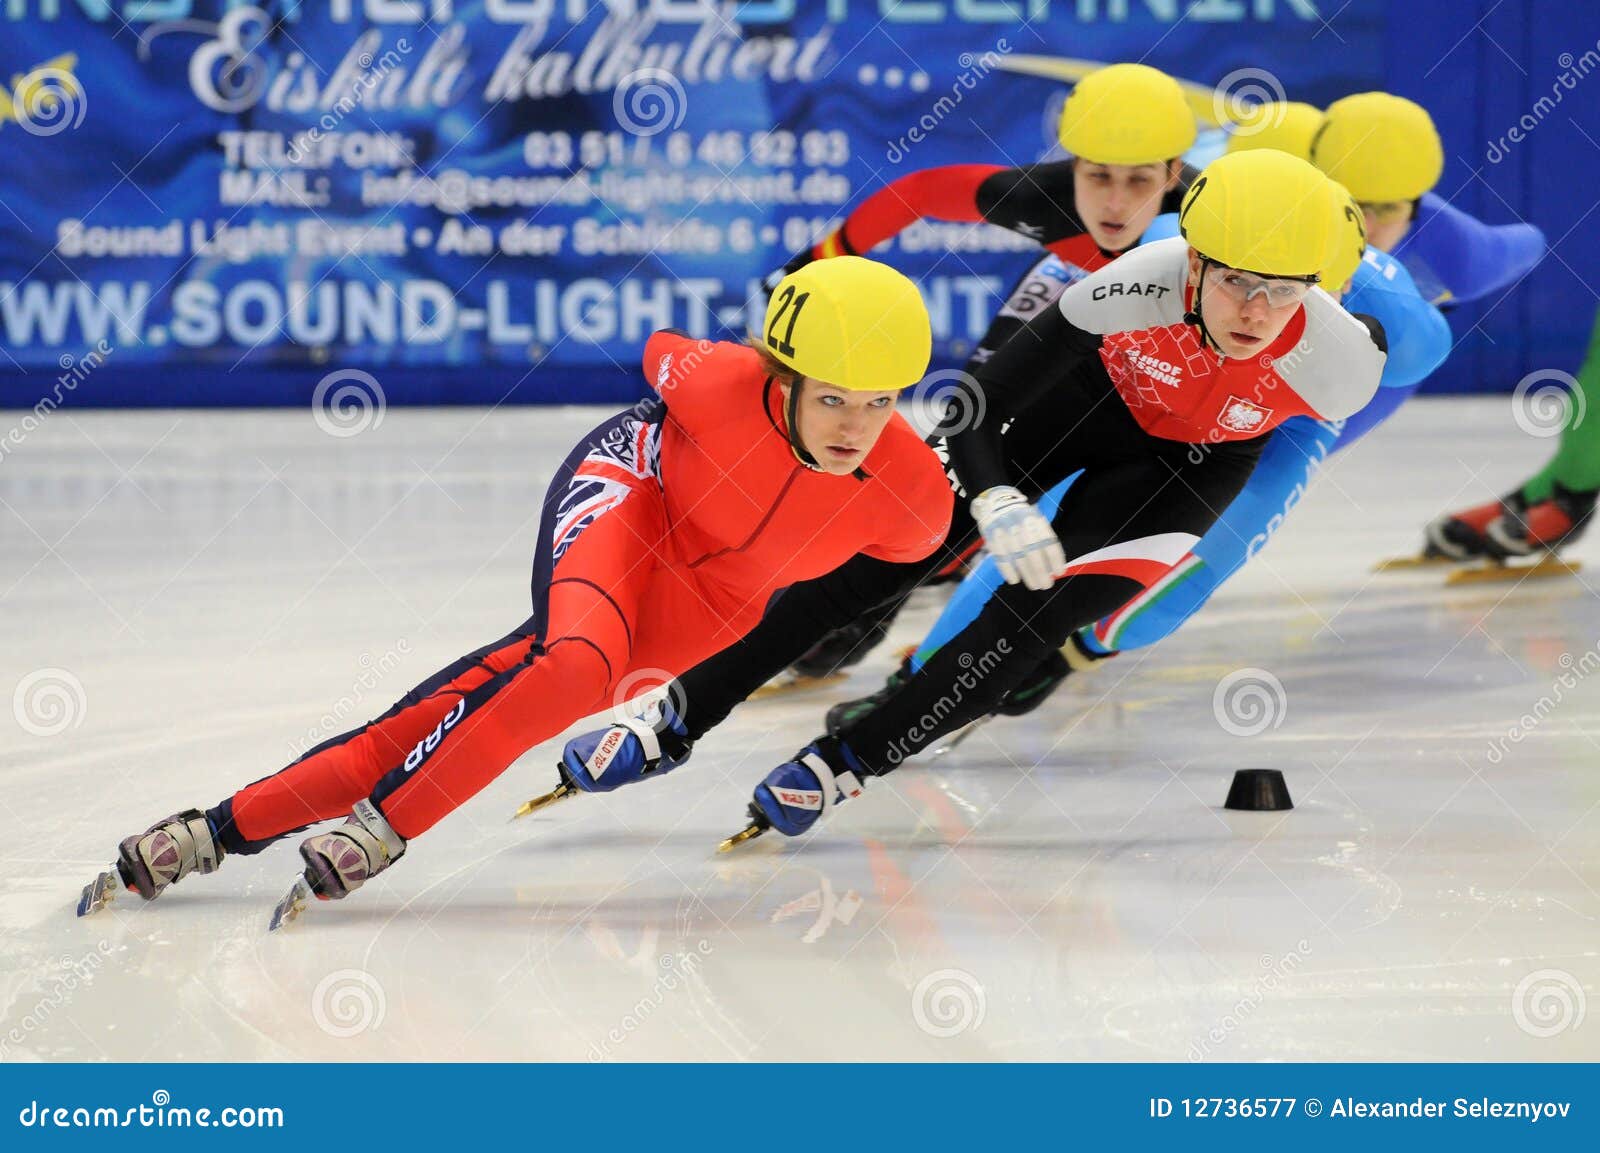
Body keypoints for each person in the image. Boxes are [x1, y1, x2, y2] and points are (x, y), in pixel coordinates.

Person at [546, 150, 1387, 846]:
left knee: (1037, 619)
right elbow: (979, 400)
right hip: (1079, 406)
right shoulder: (1141, 281)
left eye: (1287, 289)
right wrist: (991, 500)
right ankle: (676, 715)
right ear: (1196, 261)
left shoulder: (1343, 362)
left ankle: (851, 762)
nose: (1258, 310)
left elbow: (1286, 461)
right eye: (1238, 281)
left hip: (1190, 467)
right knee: (883, 554)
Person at [79, 257, 955, 921]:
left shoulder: (914, 502)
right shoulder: (721, 381)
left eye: (881, 403)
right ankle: (388, 827)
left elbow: (870, 582)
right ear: (784, 376)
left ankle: (218, 829)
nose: (857, 428)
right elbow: (659, 352)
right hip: (634, 500)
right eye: (836, 398)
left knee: (480, 700)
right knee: (573, 665)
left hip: (715, 601)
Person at [774, 62, 1201, 681]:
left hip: (1146, 335)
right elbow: (917, 193)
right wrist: (814, 262)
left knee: (1029, 466)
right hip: (1072, 293)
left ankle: (936, 583)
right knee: (960, 439)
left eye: (1139, 181)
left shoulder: (1201, 230)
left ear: (1173, 176)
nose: (1114, 202)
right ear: (1072, 167)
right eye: (1097, 175)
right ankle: (858, 607)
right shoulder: (1041, 198)